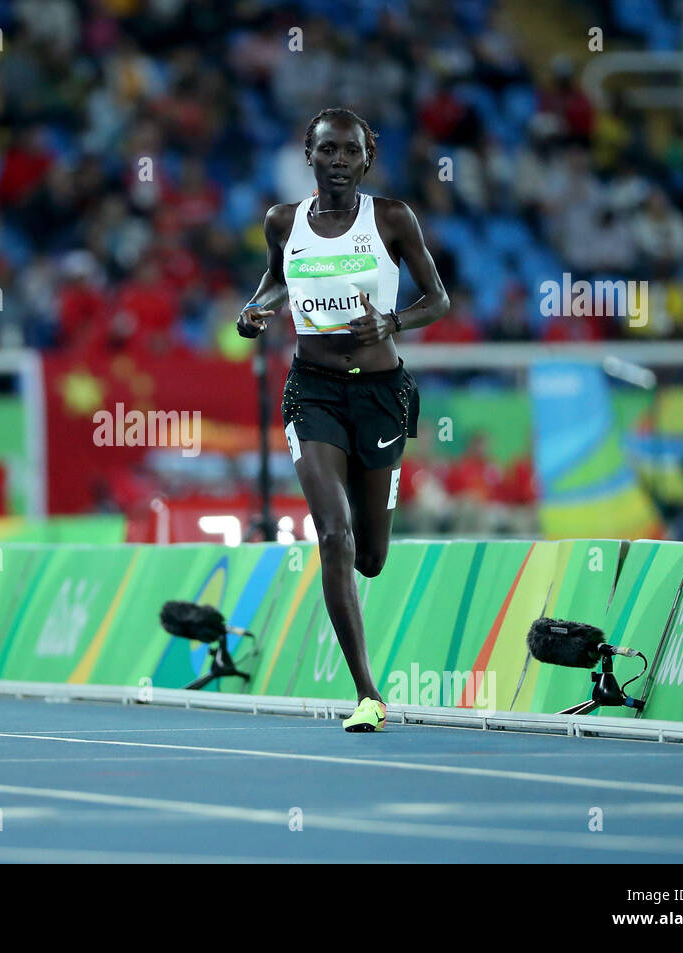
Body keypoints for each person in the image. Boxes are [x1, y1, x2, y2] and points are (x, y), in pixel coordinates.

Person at [236, 107, 449, 732]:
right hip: (314, 389)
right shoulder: (283, 221)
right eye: (326, 150)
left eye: (349, 152)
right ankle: (367, 693)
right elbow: (277, 281)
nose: (337, 161)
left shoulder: (391, 219)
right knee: (332, 533)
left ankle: (367, 523)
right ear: (309, 153)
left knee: (371, 556)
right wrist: (257, 309)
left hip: (379, 392)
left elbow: (438, 298)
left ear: (366, 158)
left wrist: (391, 322)